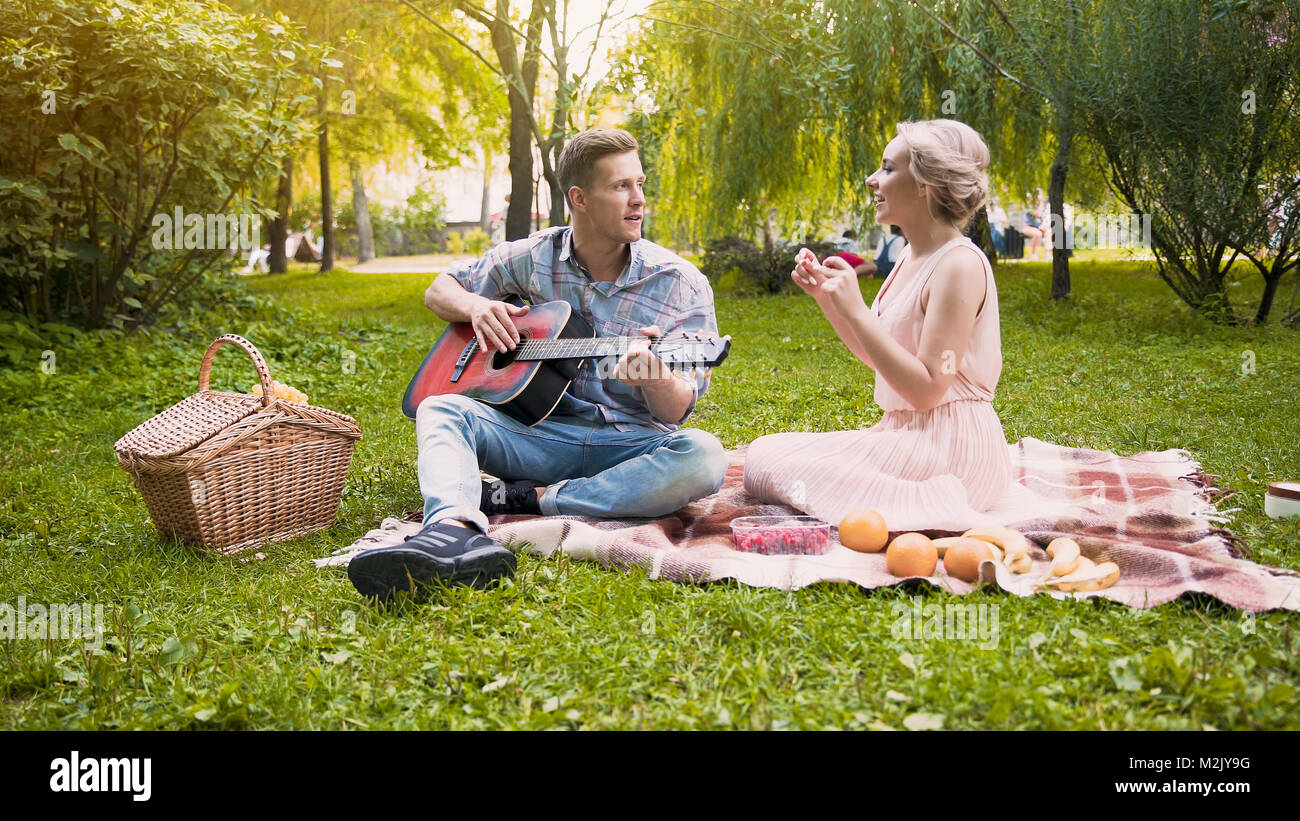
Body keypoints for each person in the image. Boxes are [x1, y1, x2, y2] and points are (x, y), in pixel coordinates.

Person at [348, 129, 728, 601]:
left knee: (705, 458)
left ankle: (531, 499)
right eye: (621, 187)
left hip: (631, 445)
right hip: (534, 437)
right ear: (579, 198)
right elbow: (440, 288)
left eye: (641, 184)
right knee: (440, 408)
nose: (638, 200)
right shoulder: (534, 256)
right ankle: (452, 529)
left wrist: (656, 379)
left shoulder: (680, 284)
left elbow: (676, 409)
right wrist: (475, 308)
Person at [743, 119, 1012, 532]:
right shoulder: (908, 257)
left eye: (887, 168)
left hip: (952, 448)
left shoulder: (959, 265)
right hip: (903, 434)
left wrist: (857, 310)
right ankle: (885, 497)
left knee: (780, 469)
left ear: (925, 183)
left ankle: (931, 503)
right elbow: (879, 358)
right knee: (762, 456)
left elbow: (925, 389)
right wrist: (830, 300)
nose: (872, 180)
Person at [1020, 188, 1049, 260]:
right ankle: (1033, 254)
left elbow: (1046, 217)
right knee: (1038, 234)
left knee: (1049, 232)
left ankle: (1048, 254)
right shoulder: (1029, 205)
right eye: (1039, 195)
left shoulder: (1043, 206)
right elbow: (1036, 214)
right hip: (1028, 227)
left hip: (1040, 227)